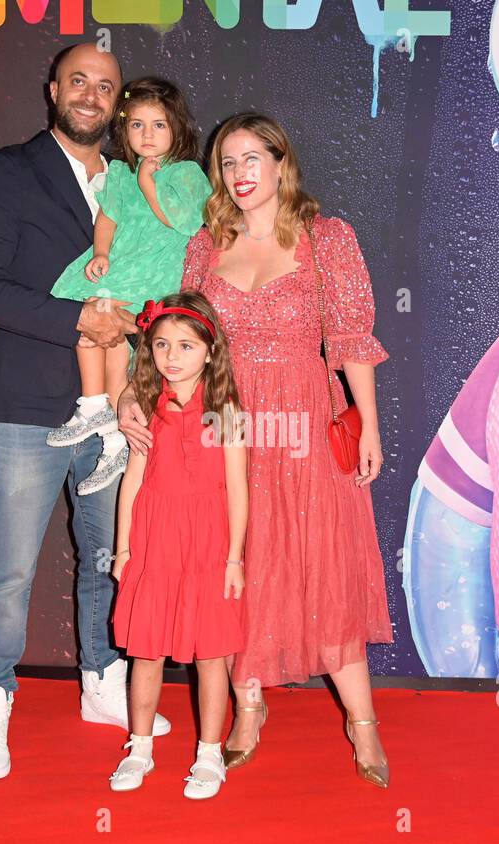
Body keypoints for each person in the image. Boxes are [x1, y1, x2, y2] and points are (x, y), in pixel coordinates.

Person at [118, 113, 394, 787]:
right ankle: (247, 708)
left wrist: (370, 424)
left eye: (252, 159)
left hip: (303, 425)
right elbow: (176, 330)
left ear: (280, 163)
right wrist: (134, 392)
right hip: (228, 432)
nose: (240, 174)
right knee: (239, 565)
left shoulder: (328, 238)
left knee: (321, 566)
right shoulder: (205, 246)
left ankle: (363, 725)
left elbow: (352, 339)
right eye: (228, 163)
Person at [0, 43, 170, 782]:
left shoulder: (136, 185)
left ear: (117, 103)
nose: (91, 95)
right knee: (10, 564)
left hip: (116, 403)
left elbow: (155, 271)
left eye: (105, 87)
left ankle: (103, 684)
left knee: (109, 557)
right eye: (78, 81)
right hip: (28, 404)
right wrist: (78, 320)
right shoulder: (7, 172)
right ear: (53, 90)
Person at [107, 292, 248, 799]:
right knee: (145, 650)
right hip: (156, 538)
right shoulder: (147, 407)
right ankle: (139, 748)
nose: (172, 355)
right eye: (162, 344)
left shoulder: (226, 409)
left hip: (210, 541)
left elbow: (239, 486)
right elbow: (133, 481)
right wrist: (123, 550)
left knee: (212, 652)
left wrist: (235, 557)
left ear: (210, 351)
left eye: (186, 345)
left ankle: (210, 754)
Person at [47, 77, 210, 497]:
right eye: (137, 125)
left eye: (158, 125)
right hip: (121, 264)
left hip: (156, 271)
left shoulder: (187, 173)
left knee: (116, 330)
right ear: (124, 129)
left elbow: (185, 221)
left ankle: (118, 430)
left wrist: (150, 185)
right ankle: (94, 408)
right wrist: (101, 253)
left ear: (177, 128)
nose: (147, 135)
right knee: (89, 324)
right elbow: (108, 219)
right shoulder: (120, 173)